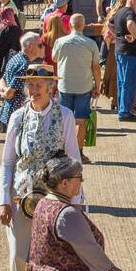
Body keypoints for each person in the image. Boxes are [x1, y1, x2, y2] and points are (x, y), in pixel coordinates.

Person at [0, 63, 82, 271]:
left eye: (39, 85)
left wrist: (75, 202)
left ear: (51, 87)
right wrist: (3, 200)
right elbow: (7, 162)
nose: (33, 90)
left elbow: (73, 159)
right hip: (21, 196)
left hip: (54, 197)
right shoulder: (18, 117)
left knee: (54, 253)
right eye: (30, 85)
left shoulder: (65, 115)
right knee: (18, 253)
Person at [52, 14, 101, 161]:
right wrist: (97, 86)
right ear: (83, 25)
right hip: (83, 86)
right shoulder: (90, 44)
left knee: (63, 120)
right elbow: (96, 67)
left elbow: (54, 58)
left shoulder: (60, 42)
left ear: (70, 26)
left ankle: (62, 150)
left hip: (65, 84)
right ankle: (78, 152)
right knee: (81, 120)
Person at [0, 32, 46, 132]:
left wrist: (3, 89)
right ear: (30, 47)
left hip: (8, 112)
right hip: (18, 114)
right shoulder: (25, 66)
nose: (43, 47)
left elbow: (2, 80)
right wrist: (6, 92)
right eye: (40, 45)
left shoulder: (16, 58)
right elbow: (10, 92)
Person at [112, 0, 136, 121]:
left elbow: (110, 24)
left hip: (121, 51)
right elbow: (130, 23)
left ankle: (123, 110)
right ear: (132, 0)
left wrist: (118, 36)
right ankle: (125, 112)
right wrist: (134, 35)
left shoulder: (119, 11)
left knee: (122, 83)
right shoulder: (129, 12)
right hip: (129, 52)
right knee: (128, 83)